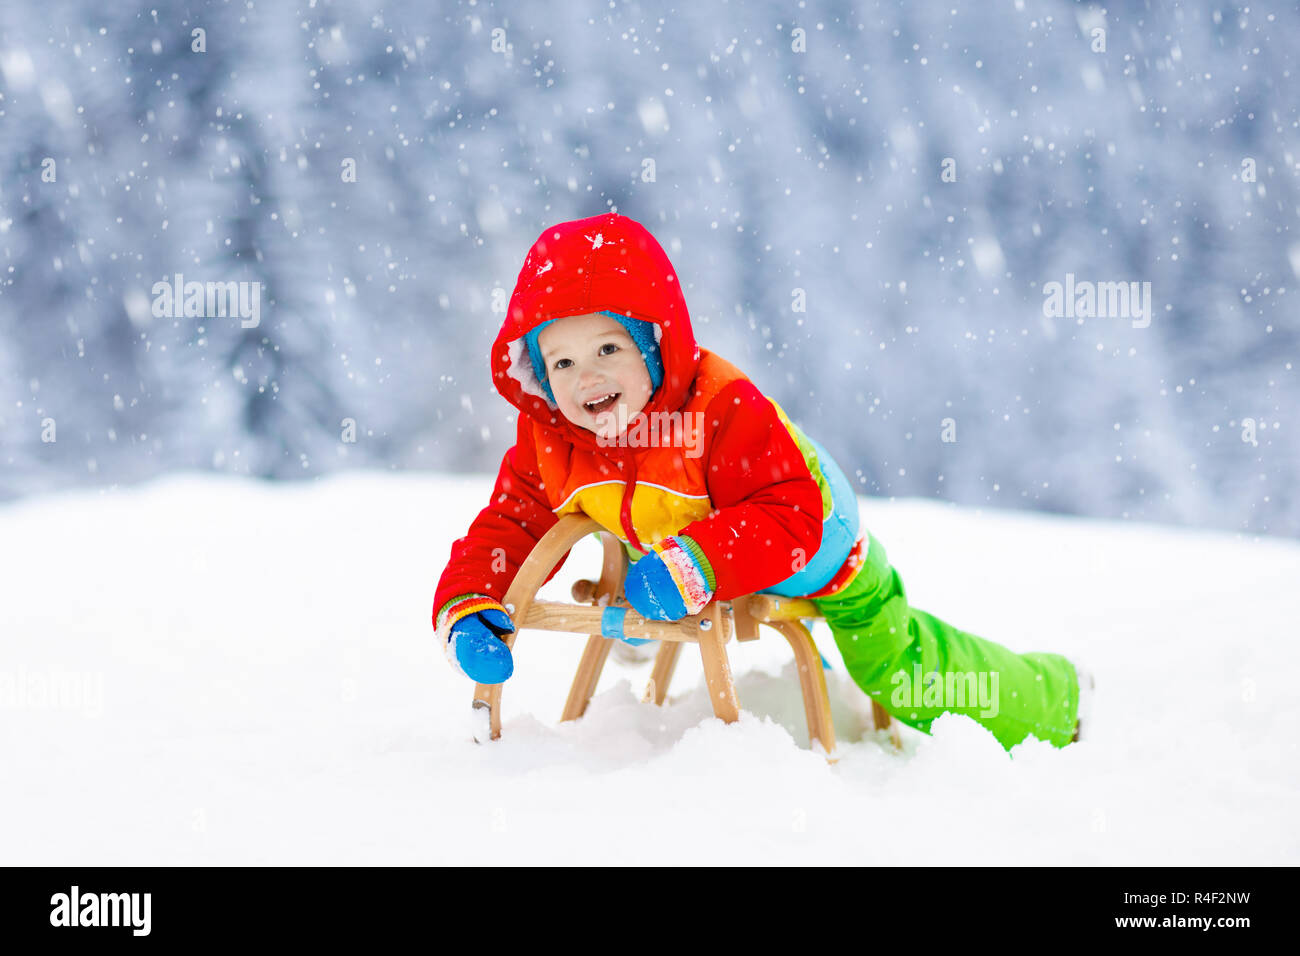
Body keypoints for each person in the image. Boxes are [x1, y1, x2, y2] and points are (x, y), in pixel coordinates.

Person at [433, 212, 1091, 751]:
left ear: (657, 344)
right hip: (691, 540)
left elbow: (790, 512)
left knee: (898, 672)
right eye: (563, 360)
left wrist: (694, 568)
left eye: (610, 348)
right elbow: (512, 521)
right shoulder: (553, 442)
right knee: (644, 595)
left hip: (815, 537)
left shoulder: (719, 411)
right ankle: (792, 675)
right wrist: (470, 601)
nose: (587, 378)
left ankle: (1054, 697)